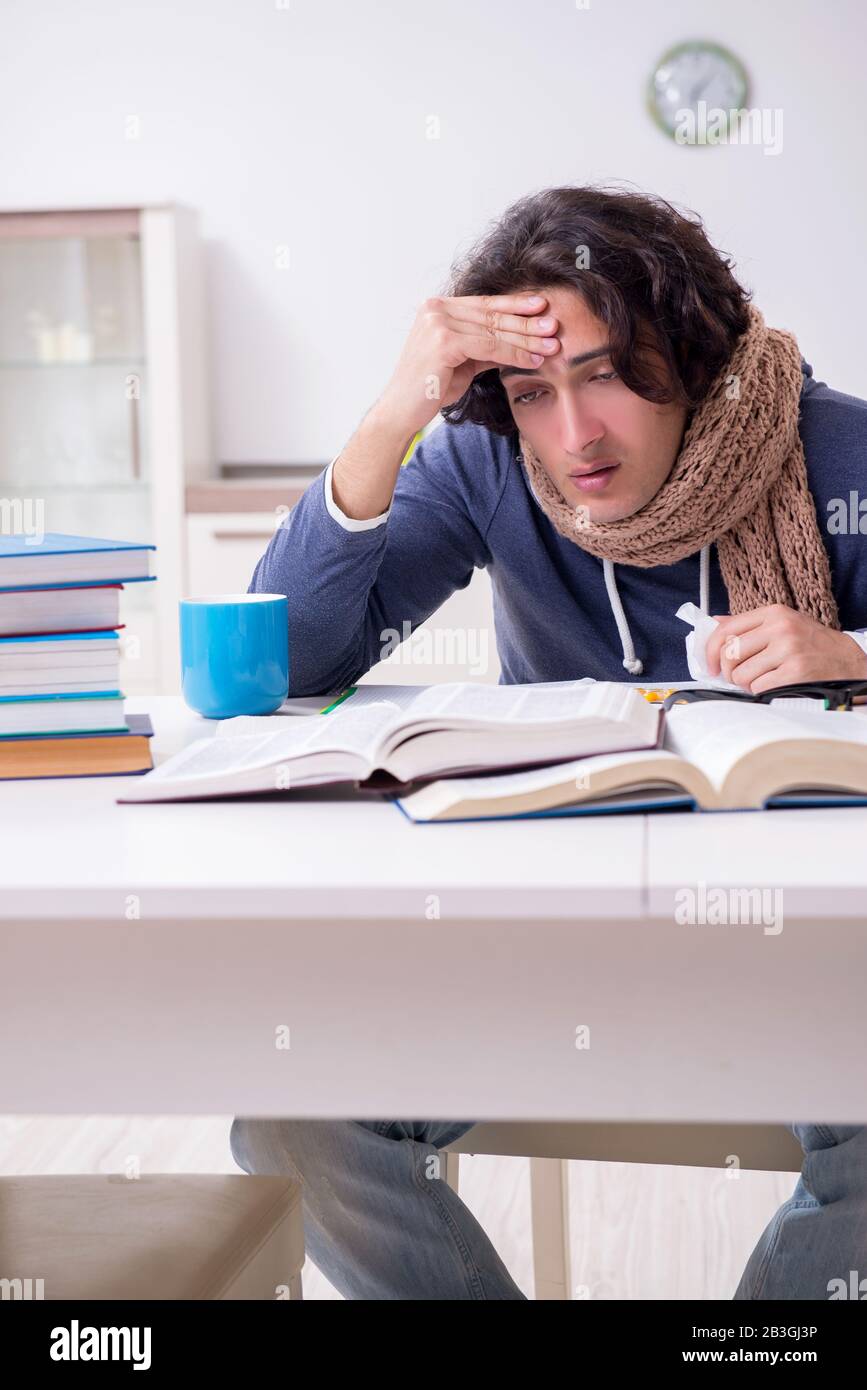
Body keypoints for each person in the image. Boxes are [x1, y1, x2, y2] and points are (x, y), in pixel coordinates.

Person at [230, 185, 867, 1299]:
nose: (575, 436)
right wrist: (394, 414)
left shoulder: (836, 449)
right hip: (542, 925)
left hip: (796, 939)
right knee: (294, 1116)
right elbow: (293, 663)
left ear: (695, 356)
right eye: (533, 390)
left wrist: (854, 655)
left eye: (612, 373)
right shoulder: (490, 469)